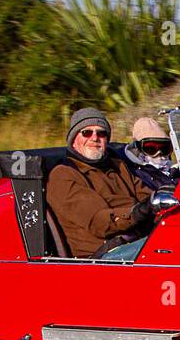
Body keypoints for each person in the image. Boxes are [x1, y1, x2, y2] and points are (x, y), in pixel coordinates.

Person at [46, 107, 153, 258]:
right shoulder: (64, 175)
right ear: (74, 139)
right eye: (87, 133)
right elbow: (100, 223)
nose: (95, 138)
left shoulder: (118, 166)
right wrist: (138, 211)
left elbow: (146, 195)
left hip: (139, 238)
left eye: (101, 133)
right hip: (105, 253)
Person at [121, 116, 180, 191]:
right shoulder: (134, 174)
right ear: (138, 148)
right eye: (151, 148)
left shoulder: (177, 171)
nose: (159, 153)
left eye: (164, 148)